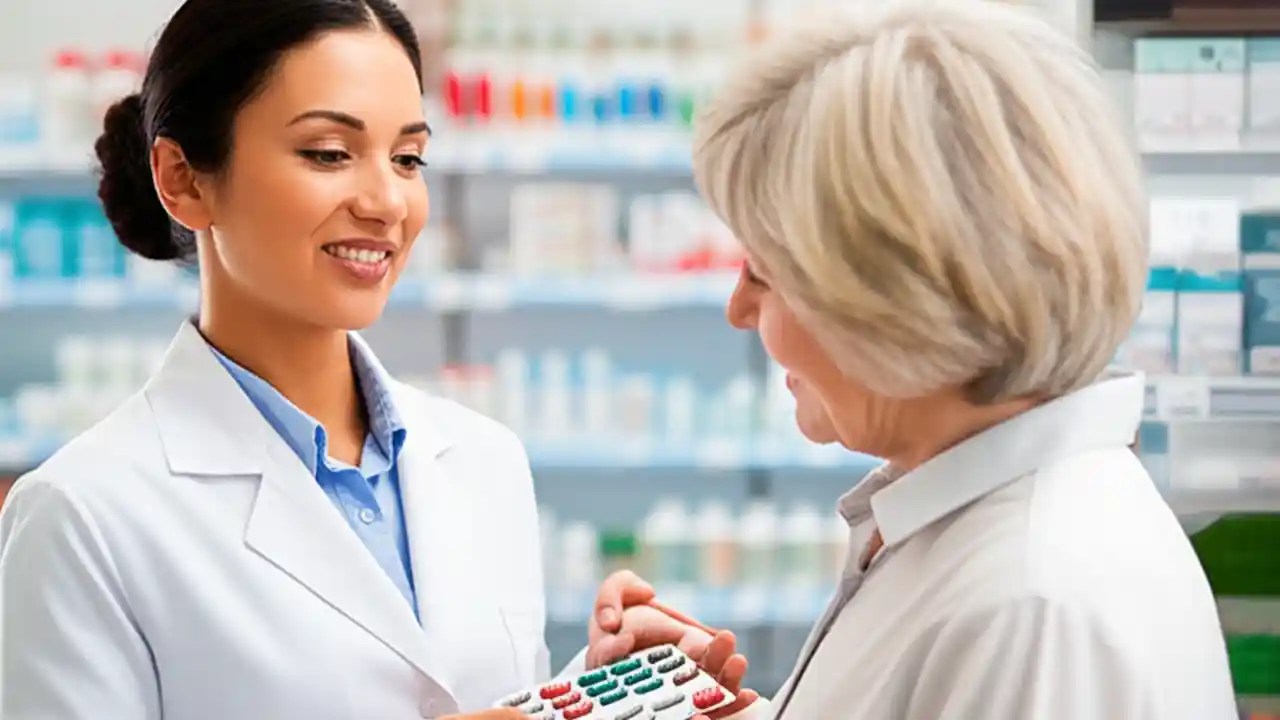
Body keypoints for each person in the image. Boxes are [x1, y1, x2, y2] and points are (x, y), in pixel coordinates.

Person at [0, 1, 743, 718]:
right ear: (184, 180)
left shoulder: (485, 462)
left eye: (408, 157)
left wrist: (594, 697)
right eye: (328, 153)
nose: (388, 201)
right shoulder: (82, 515)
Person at [600, 0, 1241, 718]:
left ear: (890, 297)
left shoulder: (1030, 605)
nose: (739, 310)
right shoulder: (982, 528)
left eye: (764, 273)